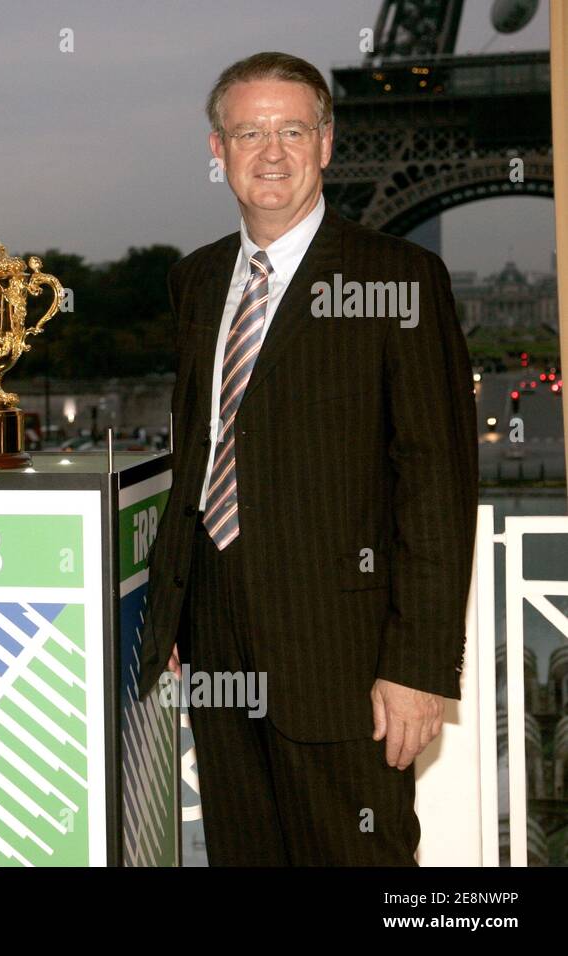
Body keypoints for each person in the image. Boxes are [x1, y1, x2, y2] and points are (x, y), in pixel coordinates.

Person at [138, 52, 477, 865]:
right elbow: (202, 447)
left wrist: (420, 668)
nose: (273, 152)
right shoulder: (196, 280)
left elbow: (436, 481)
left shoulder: (398, 278)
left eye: (293, 130)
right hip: (217, 638)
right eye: (249, 132)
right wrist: (175, 600)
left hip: (346, 650)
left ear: (328, 143)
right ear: (216, 150)